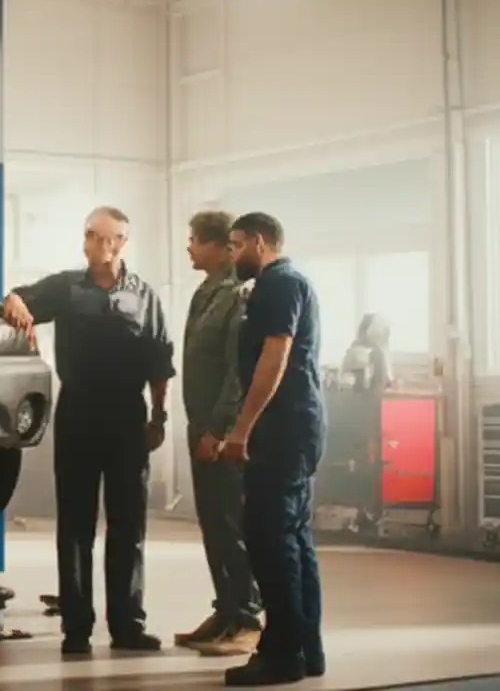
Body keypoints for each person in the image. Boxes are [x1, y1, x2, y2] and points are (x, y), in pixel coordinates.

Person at [3, 205, 174, 656]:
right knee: (76, 525)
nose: (94, 244)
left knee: (128, 525)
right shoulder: (66, 287)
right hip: (78, 412)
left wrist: (159, 417)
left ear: (121, 242)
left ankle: (128, 626)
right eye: (88, 235)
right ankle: (76, 629)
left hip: (126, 416)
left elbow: (160, 361)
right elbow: (19, 299)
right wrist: (16, 301)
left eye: (104, 237)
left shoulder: (144, 295)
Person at [218, 212, 326, 687]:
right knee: (295, 539)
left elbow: (275, 355)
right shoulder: (292, 280)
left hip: (280, 428)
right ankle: (306, 648)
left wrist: (242, 428)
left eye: (236, 244)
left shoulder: (278, 284)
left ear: (259, 243)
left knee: (269, 538)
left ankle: (281, 654)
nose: (232, 253)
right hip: (298, 425)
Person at [172, 210, 262, 657]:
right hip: (199, 425)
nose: (189, 246)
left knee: (231, 521)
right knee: (212, 524)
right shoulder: (203, 293)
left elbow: (234, 370)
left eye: (195, 240)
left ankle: (247, 616)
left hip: (217, 429)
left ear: (221, 247)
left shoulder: (236, 297)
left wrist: (220, 428)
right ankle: (226, 609)